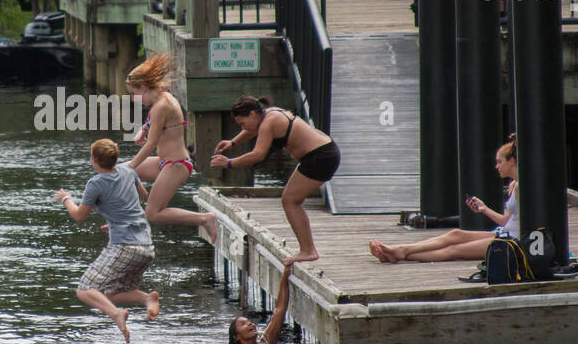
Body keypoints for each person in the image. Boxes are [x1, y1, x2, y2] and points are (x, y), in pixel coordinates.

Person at [210, 95, 341, 265]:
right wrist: (232, 142)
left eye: (242, 123)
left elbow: (258, 155)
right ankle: (308, 249)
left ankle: (308, 251)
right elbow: (251, 129)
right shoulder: (267, 114)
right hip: (322, 152)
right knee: (291, 200)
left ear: (252, 114)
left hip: (321, 157)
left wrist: (229, 163)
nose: (242, 127)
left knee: (290, 201)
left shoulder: (268, 123)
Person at [55, 138, 160, 343]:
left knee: (85, 290)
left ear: (93, 159)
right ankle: (147, 298)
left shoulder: (95, 183)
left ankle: (116, 315)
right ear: (115, 157)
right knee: (108, 294)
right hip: (146, 245)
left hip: (125, 245)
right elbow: (143, 195)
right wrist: (115, 222)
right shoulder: (128, 171)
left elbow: (79, 215)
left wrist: (66, 198)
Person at [368, 134, 518, 263]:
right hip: (503, 232)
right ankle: (401, 250)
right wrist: (484, 209)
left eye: (500, 162)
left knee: (454, 250)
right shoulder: (513, 185)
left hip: (513, 241)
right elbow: (506, 221)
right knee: (456, 234)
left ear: (511, 161)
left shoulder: (520, 188)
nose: (496, 166)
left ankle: (401, 254)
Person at [124, 52, 219, 237]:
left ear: (143, 88)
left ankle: (205, 218)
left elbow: (151, 144)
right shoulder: (162, 97)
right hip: (164, 162)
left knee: (153, 213)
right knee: (122, 170)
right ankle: (146, 202)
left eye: (133, 94)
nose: (133, 99)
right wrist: (143, 129)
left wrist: (133, 164)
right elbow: (157, 124)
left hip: (176, 165)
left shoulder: (161, 106)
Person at [228, 266, 293, 344]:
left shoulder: (267, 343)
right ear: (236, 337)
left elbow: (279, 310)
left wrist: (285, 274)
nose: (250, 324)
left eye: (249, 321)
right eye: (243, 324)